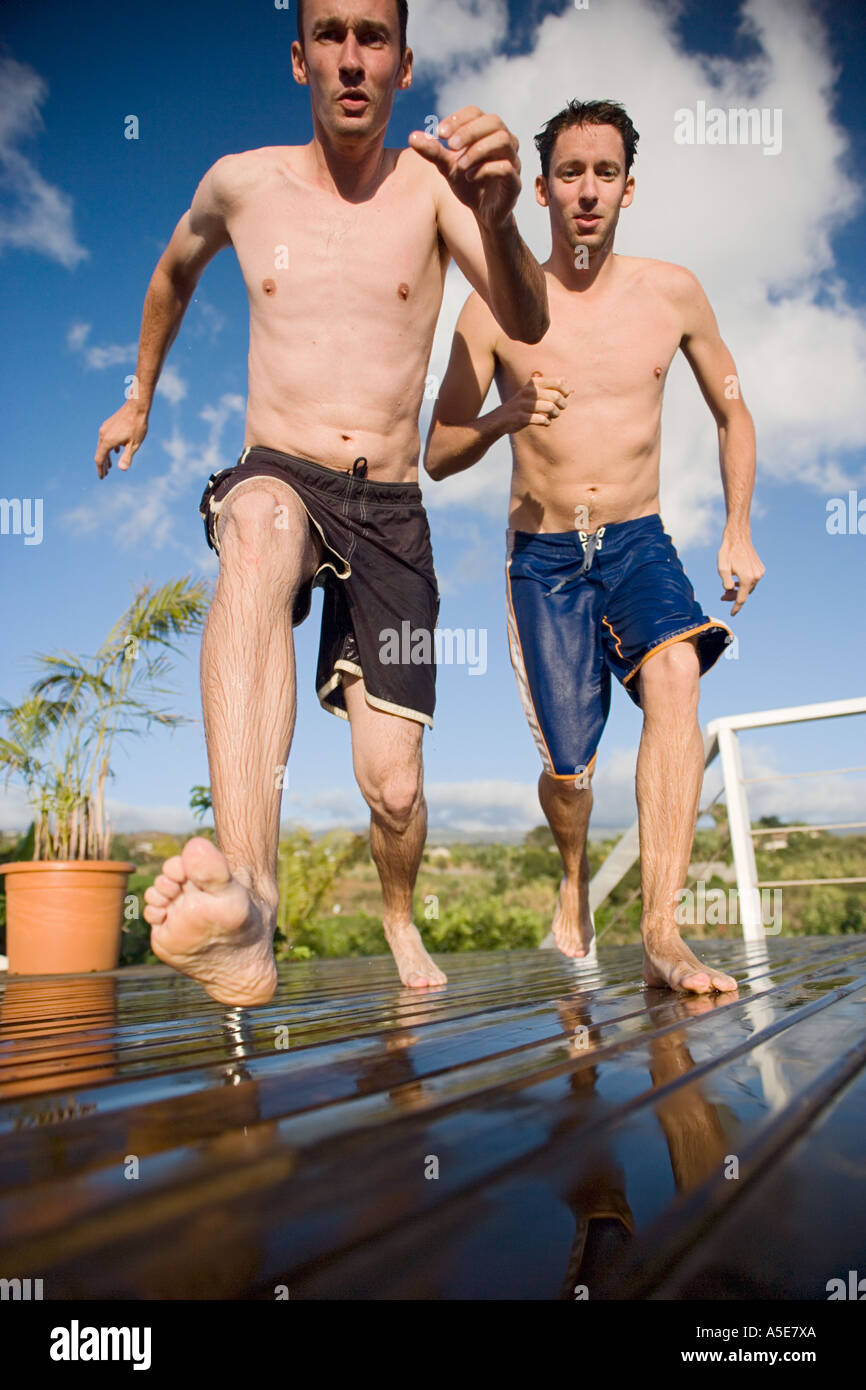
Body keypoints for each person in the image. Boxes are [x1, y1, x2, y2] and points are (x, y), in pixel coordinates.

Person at [94, 0, 549, 1005]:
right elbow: (172, 274)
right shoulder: (240, 183)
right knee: (254, 525)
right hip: (281, 469)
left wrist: (501, 213)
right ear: (298, 59)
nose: (352, 57)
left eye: (372, 37)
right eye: (331, 35)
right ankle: (250, 902)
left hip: (391, 512)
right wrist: (139, 393)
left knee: (395, 789)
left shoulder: (437, 190)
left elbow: (526, 317)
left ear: (403, 63)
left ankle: (396, 911)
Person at [424, 99, 765, 994]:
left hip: (639, 539)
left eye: (604, 173)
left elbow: (733, 408)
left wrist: (737, 527)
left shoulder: (673, 292)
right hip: (544, 556)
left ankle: (661, 934)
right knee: (570, 773)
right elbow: (438, 450)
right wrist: (505, 413)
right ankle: (573, 876)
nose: (587, 192)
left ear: (628, 187)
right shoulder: (490, 310)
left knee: (677, 673)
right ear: (539, 189)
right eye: (569, 173)